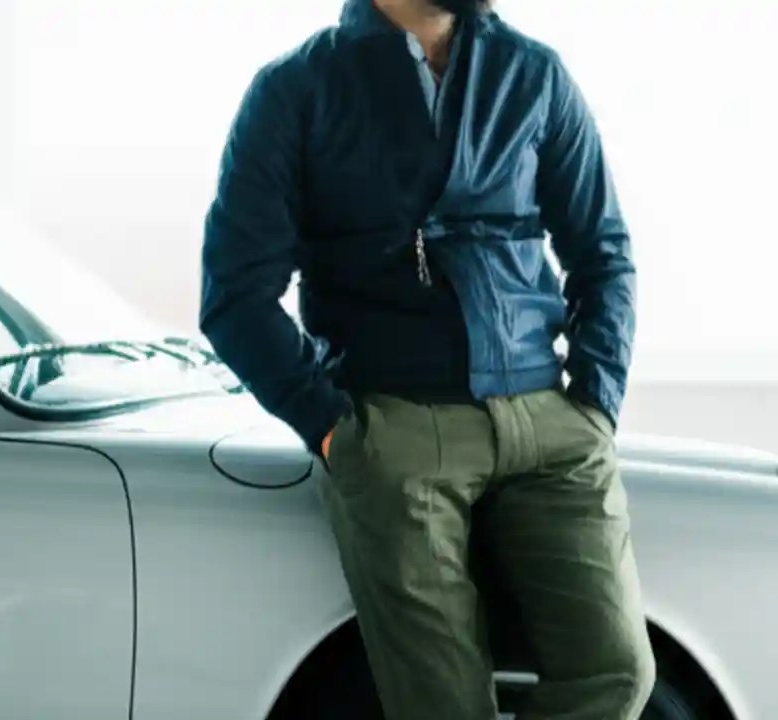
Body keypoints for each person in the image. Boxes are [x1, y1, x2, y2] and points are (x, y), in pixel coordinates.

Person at [199, 0, 653, 717]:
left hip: (552, 425)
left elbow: (604, 255)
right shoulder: (296, 89)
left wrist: (595, 399)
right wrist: (335, 432)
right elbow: (234, 295)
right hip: (400, 427)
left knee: (617, 674)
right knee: (441, 705)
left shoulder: (535, 73)